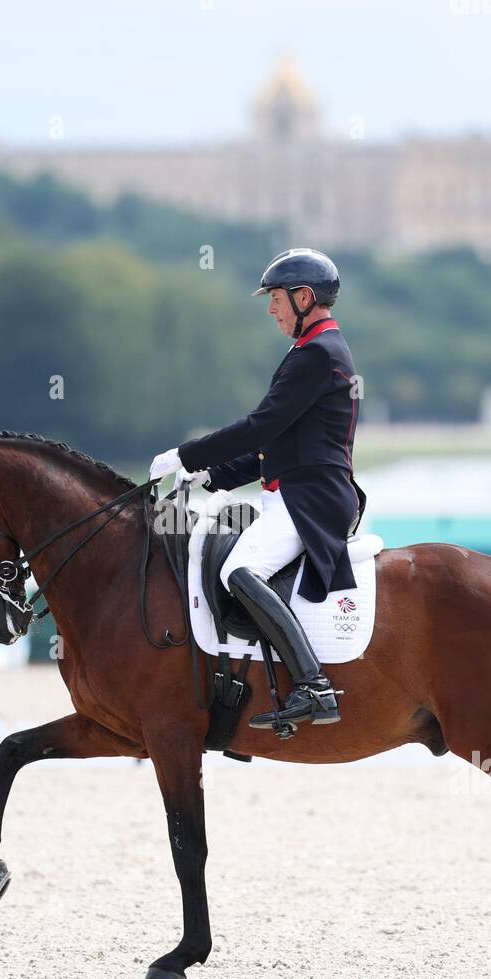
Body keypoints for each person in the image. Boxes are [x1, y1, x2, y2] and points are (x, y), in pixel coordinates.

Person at [149, 248, 366, 730]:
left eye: (275, 299)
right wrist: (212, 476)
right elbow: (277, 443)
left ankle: (312, 686)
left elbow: (259, 425)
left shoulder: (317, 353)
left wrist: (188, 455)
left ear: (303, 297)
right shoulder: (313, 348)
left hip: (310, 499)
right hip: (296, 491)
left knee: (239, 570)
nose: (271, 309)